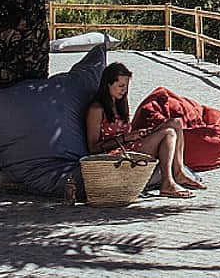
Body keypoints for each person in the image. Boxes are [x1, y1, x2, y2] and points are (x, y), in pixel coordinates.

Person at [85, 62, 206, 198]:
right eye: (120, 86)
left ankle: (179, 173)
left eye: (126, 86)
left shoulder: (119, 104)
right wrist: (126, 138)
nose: (124, 90)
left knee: (176, 123)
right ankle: (167, 183)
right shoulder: (97, 109)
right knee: (169, 133)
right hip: (115, 154)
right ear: (108, 84)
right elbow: (93, 148)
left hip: (129, 144)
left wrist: (137, 135)